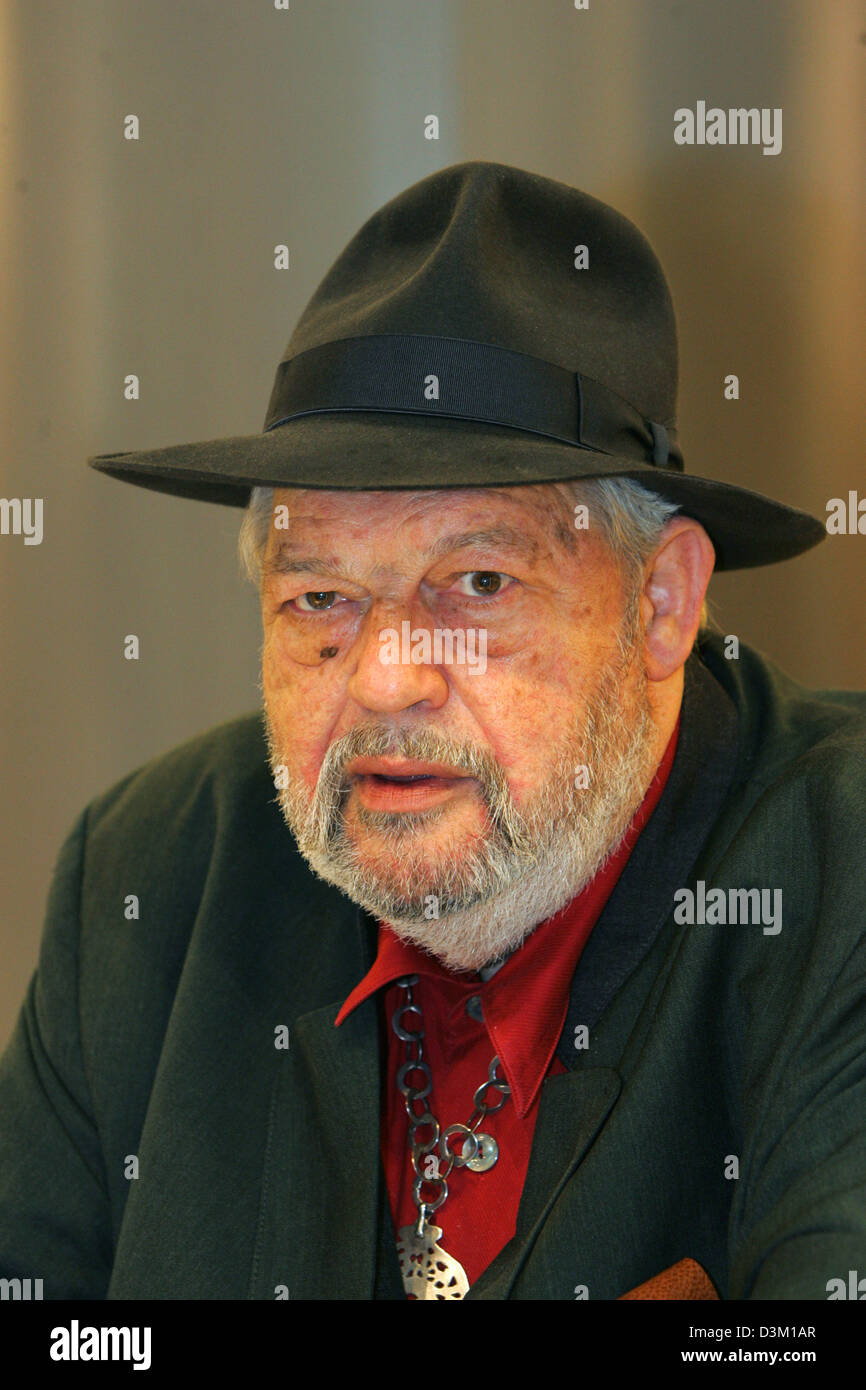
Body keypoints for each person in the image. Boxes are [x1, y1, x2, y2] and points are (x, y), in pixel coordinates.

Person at [1, 160, 864, 1301]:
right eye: (320, 600)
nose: (388, 679)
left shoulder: (838, 870)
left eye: (476, 582)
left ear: (658, 602)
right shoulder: (146, 873)